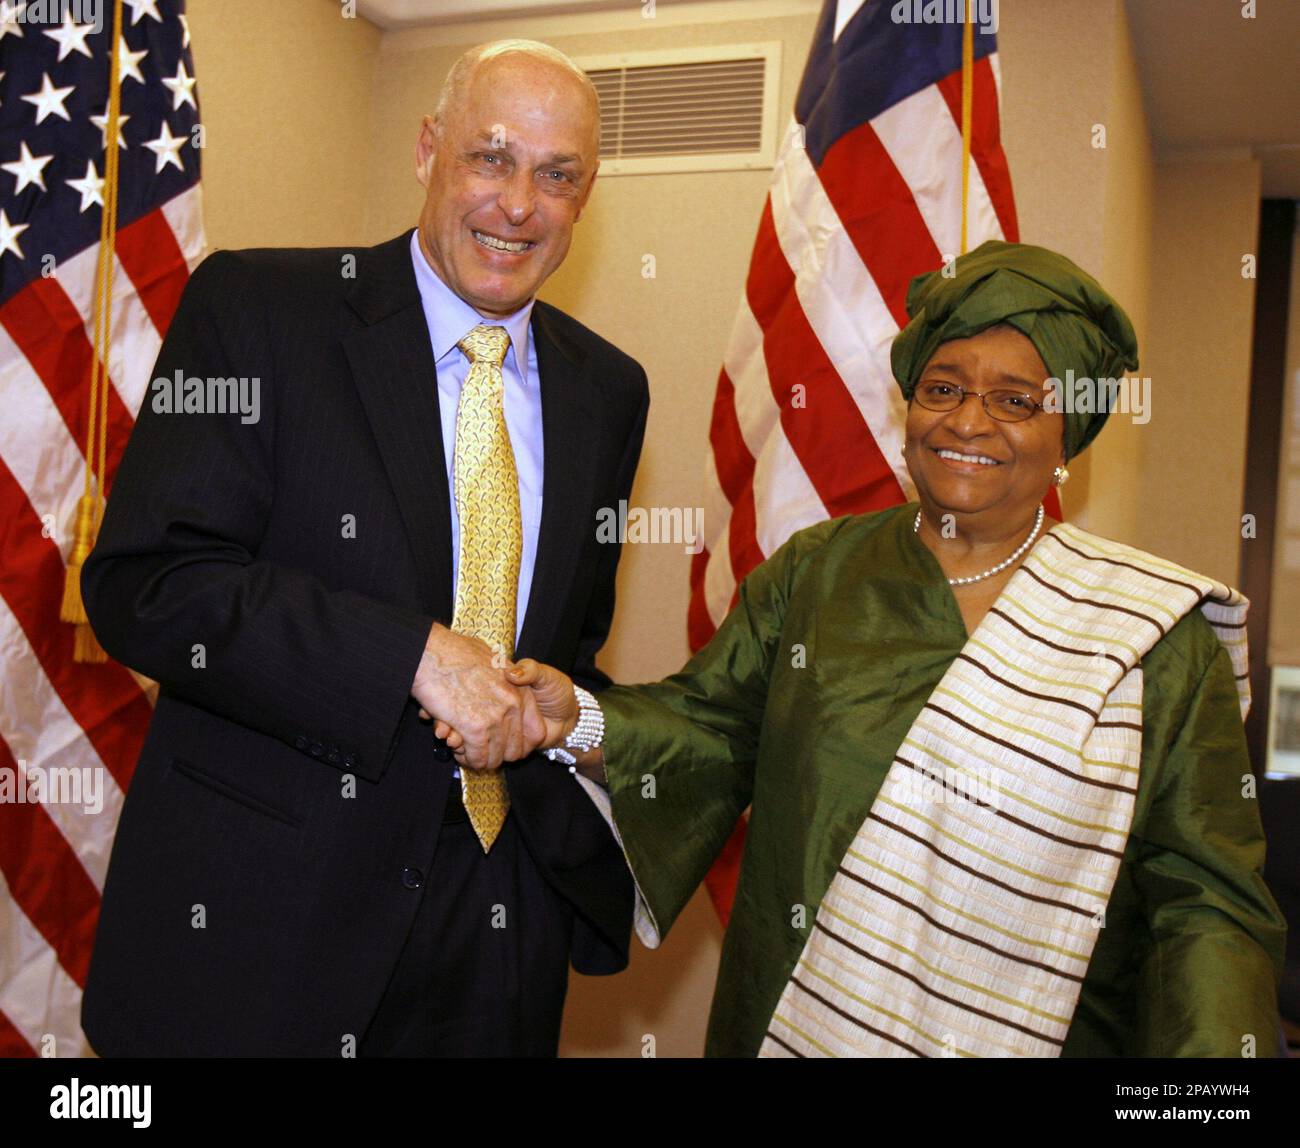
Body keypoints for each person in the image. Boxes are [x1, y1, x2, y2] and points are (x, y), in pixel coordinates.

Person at [483, 241, 1287, 1057]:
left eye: (1016, 401)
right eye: (943, 389)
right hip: (796, 1025)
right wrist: (576, 721)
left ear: (1068, 436)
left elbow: (1204, 902)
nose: (968, 422)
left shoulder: (1153, 632)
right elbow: (709, 732)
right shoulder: (819, 572)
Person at [80, 39, 649, 1057]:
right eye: (491, 156)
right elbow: (148, 584)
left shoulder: (609, 389)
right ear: (429, 150)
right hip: (264, 926)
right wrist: (410, 657)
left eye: (556, 175)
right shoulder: (258, 310)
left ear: (585, 196)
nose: (519, 202)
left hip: (494, 928)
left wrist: (572, 715)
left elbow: (570, 644)